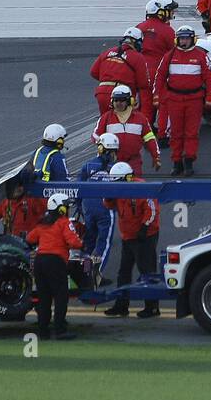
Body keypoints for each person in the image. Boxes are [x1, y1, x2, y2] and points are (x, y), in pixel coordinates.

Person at [154, 26, 211, 176]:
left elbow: (210, 78)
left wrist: (210, 97)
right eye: (182, 38)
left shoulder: (201, 56)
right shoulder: (169, 56)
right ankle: (176, 163)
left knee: (191, 133)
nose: (184, 41)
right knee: (175, 133)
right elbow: (160, 76)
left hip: (194, 100)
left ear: (192, 39)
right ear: (177, 39)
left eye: (187, 38)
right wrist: (156, 95)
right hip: (174, 100)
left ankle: (189, 161)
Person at [108, 161, 162, 318]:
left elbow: (152, 210)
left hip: (144, 237)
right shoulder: (119, 189)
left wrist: (144, 228)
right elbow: (109, 206)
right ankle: (121, 306)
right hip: (128, 236)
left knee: (147, 272)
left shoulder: (142, 189)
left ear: (128, 178)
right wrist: (109, 198)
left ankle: (152, 307)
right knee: (123, 273)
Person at [26, 194, 82, 340]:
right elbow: (74, 242)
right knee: (60, 297)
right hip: (55, 262)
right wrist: (83, 244)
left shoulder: (42, 223)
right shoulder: (64, 222)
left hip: (40, 262)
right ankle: (60, 330)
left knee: (44, 298)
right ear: (61, 209)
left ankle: (43, 332)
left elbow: (30, 238)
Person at [79, 133, 120, 290]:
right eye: (114, 151)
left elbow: (78, 187)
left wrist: (79, 207)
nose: (116, 154)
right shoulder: (115, 169)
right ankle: (96, 276)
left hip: (88, 208)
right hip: (106, 209)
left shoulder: (88, 165)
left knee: (89, 241)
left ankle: (84, 273)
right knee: (104, 242)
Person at [92, 84, 162, 174]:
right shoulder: (106, 118)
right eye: (116, 100)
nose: (118, 103)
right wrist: (101, 142)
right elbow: (95, 135)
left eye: (122, 100)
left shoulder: (140, 118)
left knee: (135, 186)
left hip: (133, 162)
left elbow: (150, 138)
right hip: (111, 162)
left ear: (130, 101)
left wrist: (156, 156)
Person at [90, 33, 153, 112]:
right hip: (122, 95)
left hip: (102, 92)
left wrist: (107, 79)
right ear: (138, 43)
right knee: (123, 120)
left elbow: (93, 72)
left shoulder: (108, 52)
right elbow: (143, 83)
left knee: (106, 120)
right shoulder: (138, 57)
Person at [138, 0, 178, 67]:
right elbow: (176, 52)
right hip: (159, 69)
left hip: (139, 68)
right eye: (171, 11)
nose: (173, 13)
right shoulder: (168, 31)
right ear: (162, 12)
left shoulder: (139, 27)